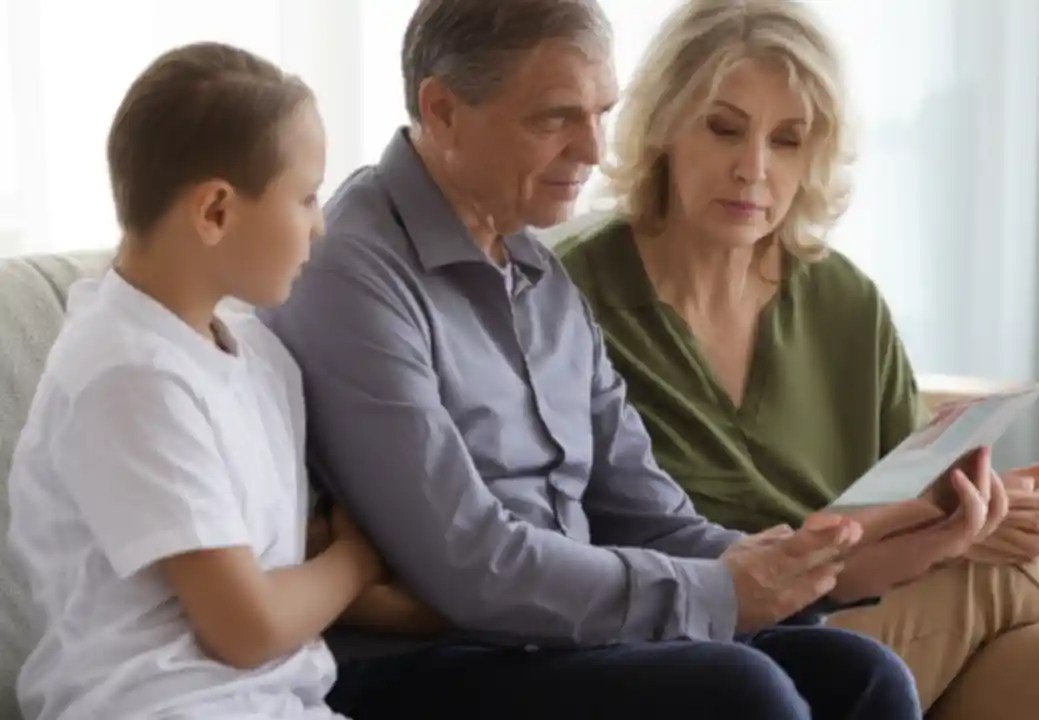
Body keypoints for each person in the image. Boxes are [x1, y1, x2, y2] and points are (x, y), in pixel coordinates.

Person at [258, 1, 986, 718]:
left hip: (555, 645)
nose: (593, 150)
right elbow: (468, 563)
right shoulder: (353, 272)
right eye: (554, 119)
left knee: (862, 676)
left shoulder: (538, 277)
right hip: (428, 659)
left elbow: (651, 516)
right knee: (739, 694)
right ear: (443, 110)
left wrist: (818, 568)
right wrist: (725, 592)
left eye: (600, 113)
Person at [558, 1, 1039, 719]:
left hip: (860, 630)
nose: (753, 169)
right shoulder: (570, 297)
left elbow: (899, 511)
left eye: (788, 141)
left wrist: (972, 516)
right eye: (725, 129)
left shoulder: (842, 302)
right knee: (999, 585)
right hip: (707, 653)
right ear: (663, 125)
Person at [6, 43, 387, 719]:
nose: (320, 225)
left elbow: (272, 568)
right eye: (305, 197)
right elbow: (248, 628)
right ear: (215, 210)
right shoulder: (125, 373)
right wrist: (358, 560)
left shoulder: (259, 358)